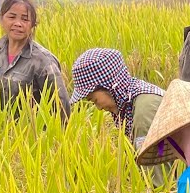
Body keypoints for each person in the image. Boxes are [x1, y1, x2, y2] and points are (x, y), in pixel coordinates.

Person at [70, 48, 168, 185]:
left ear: (109, 86)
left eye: (94, 100)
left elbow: (158, 180)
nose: (98, 108)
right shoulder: (131, 98)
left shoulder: (144, 113)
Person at [0, 0, 70, 116]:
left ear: (32, 25)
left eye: (25, 19)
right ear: (1, 19)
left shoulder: (43, 61)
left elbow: (62, 106)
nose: (18, 23)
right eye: (12, 17)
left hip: (33, 132)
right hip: (1, 130)